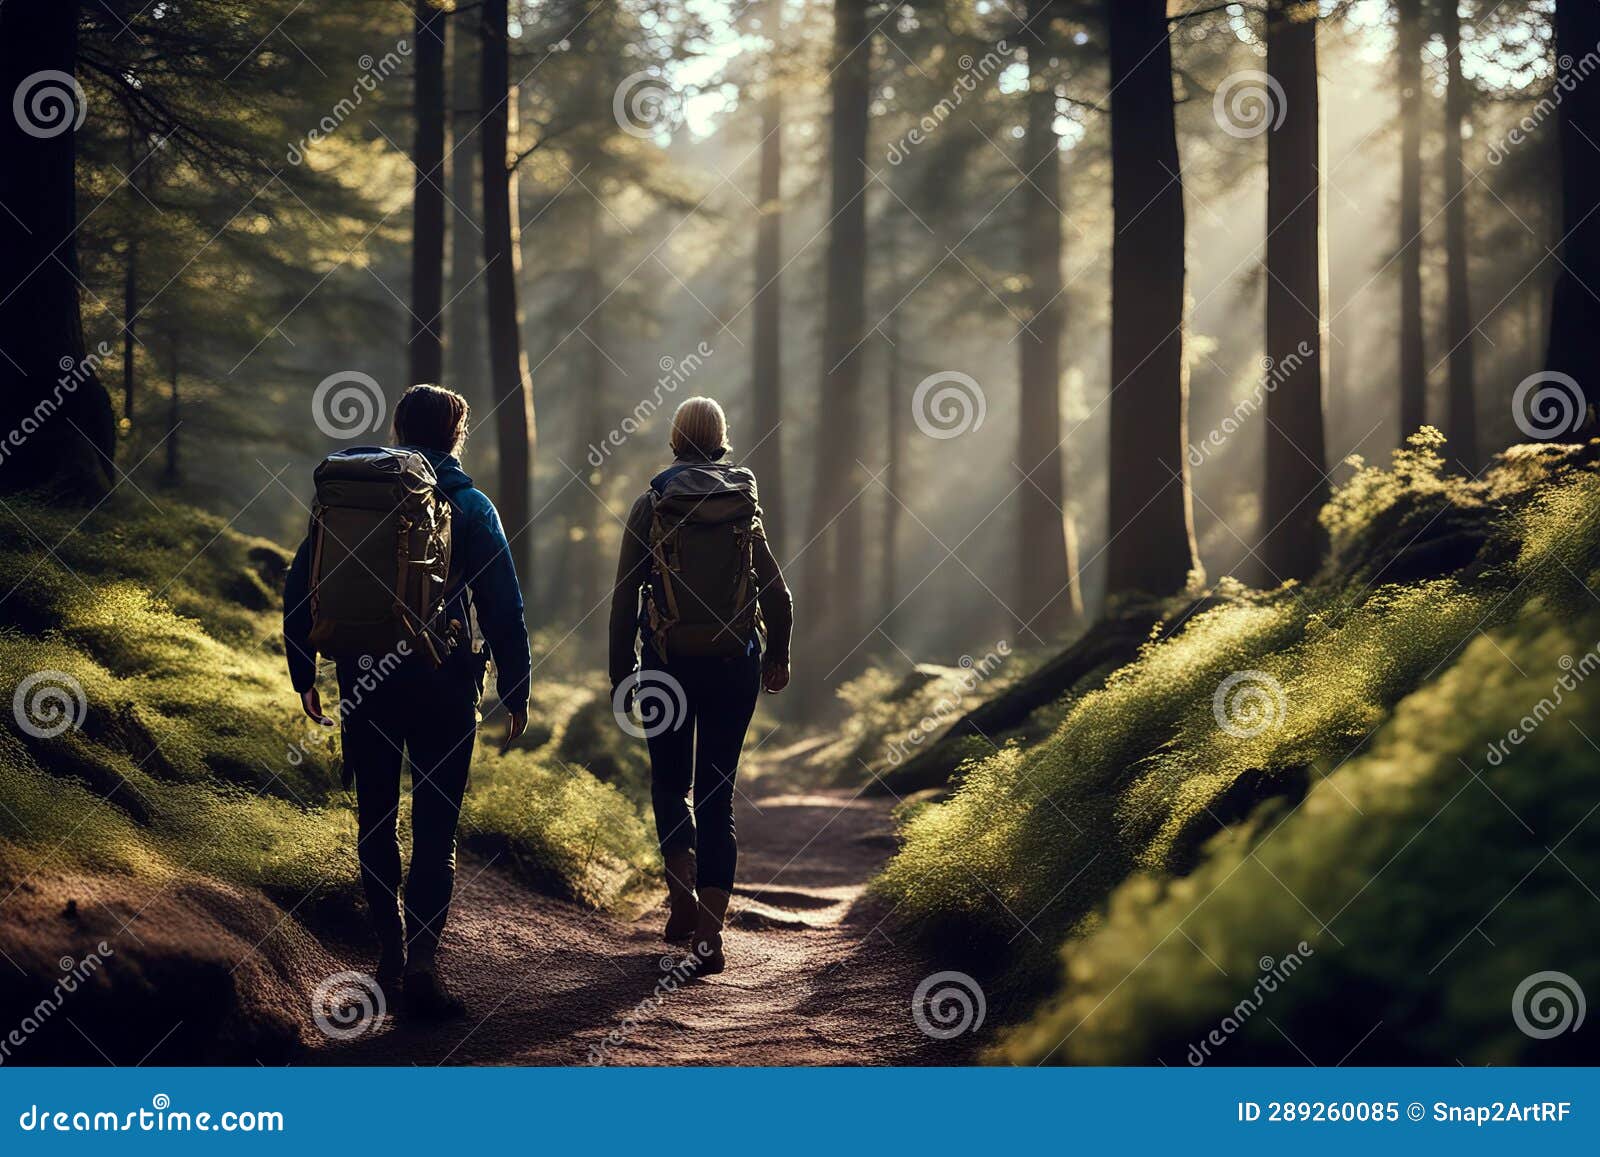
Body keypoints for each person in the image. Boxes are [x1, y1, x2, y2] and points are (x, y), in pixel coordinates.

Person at [283, 384, 530, 1018]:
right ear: (456, 434)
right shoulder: (469, 505)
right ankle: (422, 964)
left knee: (375, 816)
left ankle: (389, 954)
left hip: (364, 675)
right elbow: (502, 603)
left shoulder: (351, 497)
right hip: (443, 680)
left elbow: (300, 584)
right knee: (435, 826)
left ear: (398, 428)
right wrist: (516, 687)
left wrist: (304, 670)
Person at [608, 396, 792, 975]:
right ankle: (709, 937)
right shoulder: (742, 503)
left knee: (669, 783)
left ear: (674, 439)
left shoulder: (652, 502)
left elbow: (624, 596)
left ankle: (681, 894)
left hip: (665, 666)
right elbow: (777, 593)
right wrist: (778, 656)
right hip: (734, 664)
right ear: (721, 439)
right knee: (717, 794)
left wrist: (621, 673)